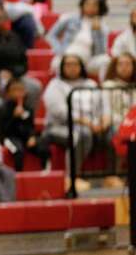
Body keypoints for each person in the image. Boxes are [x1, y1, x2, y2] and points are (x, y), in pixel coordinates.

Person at [40, 53, 104, 182]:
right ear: (62, 67)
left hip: (89, 124)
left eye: (75, 64)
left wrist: (99, 122)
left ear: (81, 67)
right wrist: (85, 122)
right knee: (83, 133)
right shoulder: (55, 85)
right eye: (68, 65)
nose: (72, 68)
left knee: (110, 132)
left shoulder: (91, 84)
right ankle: (72, 177)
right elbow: (60, 112)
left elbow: (100, 107)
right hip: (58, 127)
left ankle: (112, 175)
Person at [0, 3, 42, 112]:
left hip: (15, 76)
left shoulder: (15, 37)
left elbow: (24, 63)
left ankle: (27, 117)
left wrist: (13, 74)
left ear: (6, 18)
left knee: (35, 86)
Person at [47, 0, 110, 78]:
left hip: (88, 60)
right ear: (82, 5)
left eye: (95, 5)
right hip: (68, 55)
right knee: (57, 63)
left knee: (106, 60)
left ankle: (104, 88)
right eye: (88, 3)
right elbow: (51, 35)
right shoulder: (70, 18)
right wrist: (59, 50)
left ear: (99, 8)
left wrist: (97, 32)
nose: (91, 7)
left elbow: (101, 52)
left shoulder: (102, 26)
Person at [0, 78, 45, 172]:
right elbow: (1, 129)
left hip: (24, 137)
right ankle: (18, 175)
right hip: (8, 137)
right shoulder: (2, 109)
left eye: (21, 90)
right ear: (7, 93)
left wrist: (32, 136)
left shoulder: (28, 108)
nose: (18, 93)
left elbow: (31, 126)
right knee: (18, 150)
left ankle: (45, 172)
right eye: (14, 90)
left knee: (43, 147)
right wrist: (14, 117)